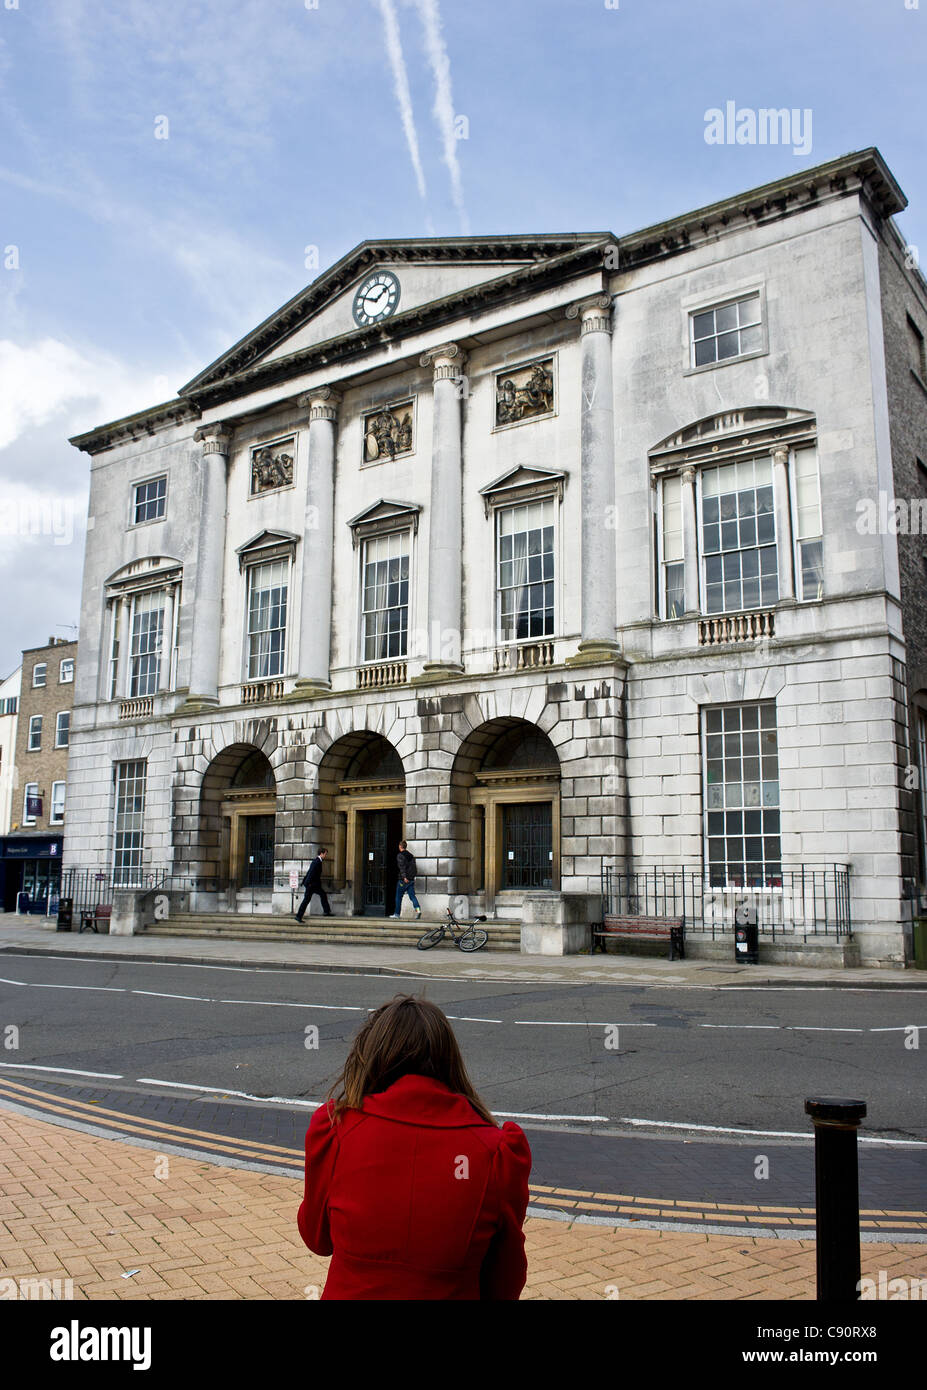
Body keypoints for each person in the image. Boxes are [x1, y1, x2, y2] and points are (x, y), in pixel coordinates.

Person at [297, 995, 531, 1300]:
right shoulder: (496, 1152)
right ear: (449, 1061)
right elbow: (505, 1283)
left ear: (372, 1056)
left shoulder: (335, 1130)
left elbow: (317, 1238)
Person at [295, 848, 332, 921]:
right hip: (311, 885)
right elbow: (311, 873)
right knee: (307, 900)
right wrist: (308, 883)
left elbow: (309, 872)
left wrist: (305, 881)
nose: (325, 855)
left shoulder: (317, 861)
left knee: (322, 894)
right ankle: (299, 916)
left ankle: (326, 911)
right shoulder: (317, 862)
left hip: (313, 885)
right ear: (321, 853)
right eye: (325, 854)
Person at [389, 839, 421, 919]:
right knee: (412, 897)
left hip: (403, 880)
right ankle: (418, 910)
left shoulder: (400, 855)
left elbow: (402, 867)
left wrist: (404, 877)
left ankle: (397, 914)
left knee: (398, 897)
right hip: (411, 880)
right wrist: (412, 877)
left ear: (400, 846)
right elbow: (414, 869)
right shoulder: (411, 856)